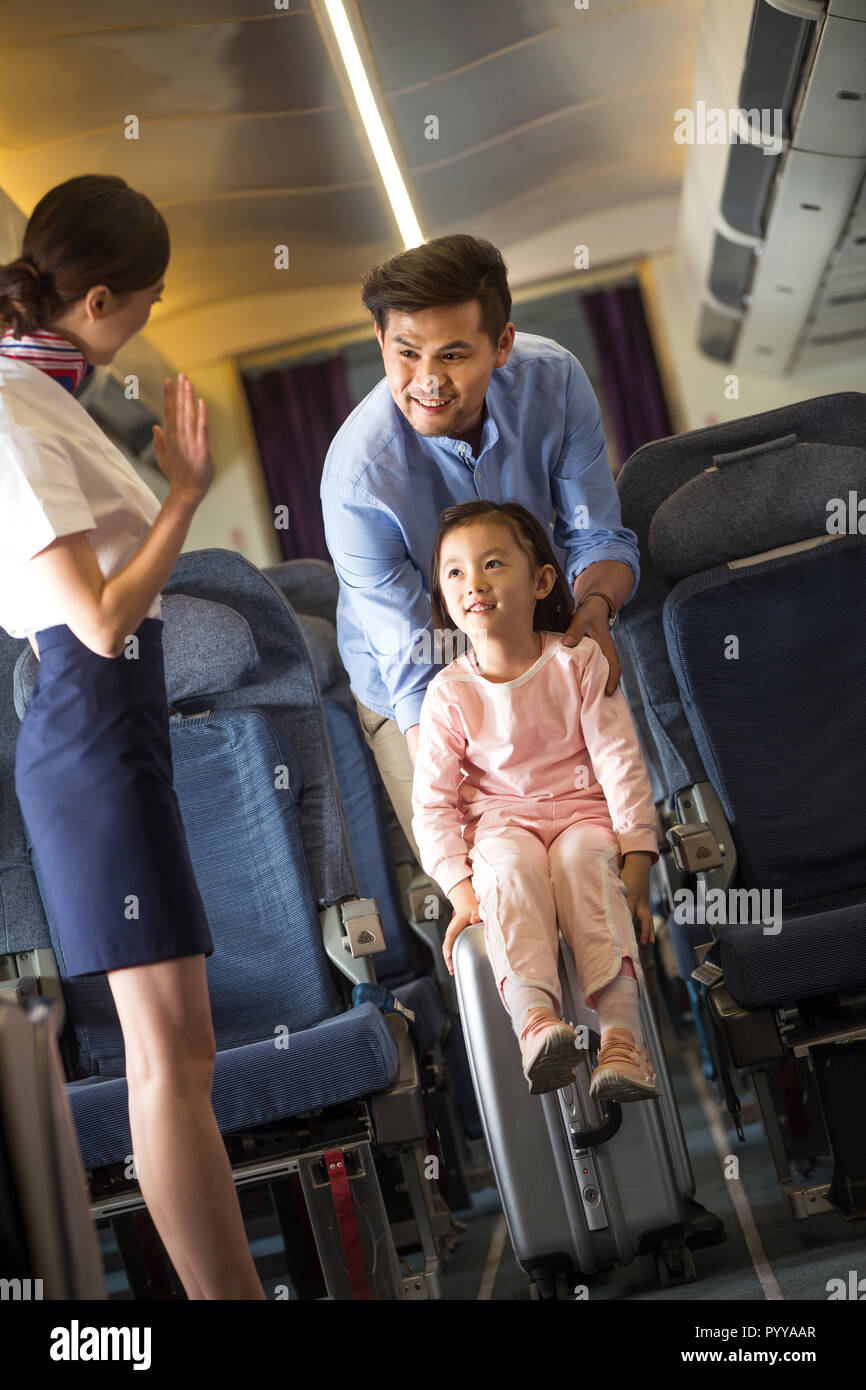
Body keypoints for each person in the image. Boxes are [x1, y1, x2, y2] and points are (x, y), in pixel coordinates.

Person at [0, 174, 265, 1299]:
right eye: (148, 300)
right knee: (167, 1061)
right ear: (99, 296)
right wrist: (183, 496)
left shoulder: (48, 398)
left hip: (117, 730)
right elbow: (100, 617)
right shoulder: (13, 412)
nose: (151, 319)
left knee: (183, 1058)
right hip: (90, 724)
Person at [320, 233, 639, 867]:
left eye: (454, 354)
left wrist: (595, 609)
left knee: (603, 858)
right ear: (380, 342)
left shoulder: (555, 383)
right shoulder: (359, 482)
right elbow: (412, 664)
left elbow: (595, 536)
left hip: (545, 645)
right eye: (405, 353)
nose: (427, 381)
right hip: (414, 681)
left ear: (502, 345)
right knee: (489, 878)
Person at [411, 500, 661, 1100]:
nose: (474, 583)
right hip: (503, 827)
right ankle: (537, 1026)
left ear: (543, 580)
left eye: (493, 564)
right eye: (455, 573)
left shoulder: (577, 661)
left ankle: (623, 1041)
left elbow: (620, 764)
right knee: (511, 872)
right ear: (443, 596)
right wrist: (462, 893)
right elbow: (434, 806)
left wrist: (638, 864)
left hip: (583, 817)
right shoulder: (447, 694)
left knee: (583, 869)